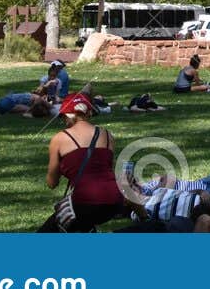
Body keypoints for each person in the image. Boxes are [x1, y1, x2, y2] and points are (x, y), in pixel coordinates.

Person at [39, 93, 144, 232]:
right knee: (83, 225)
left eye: (63, 117)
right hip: (114, 201)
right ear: (88, 113)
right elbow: (104, 171)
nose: (64, 121)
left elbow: (51, 183)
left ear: (70, 115)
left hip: (85, 201)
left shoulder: (59, 138)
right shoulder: (107, 135)